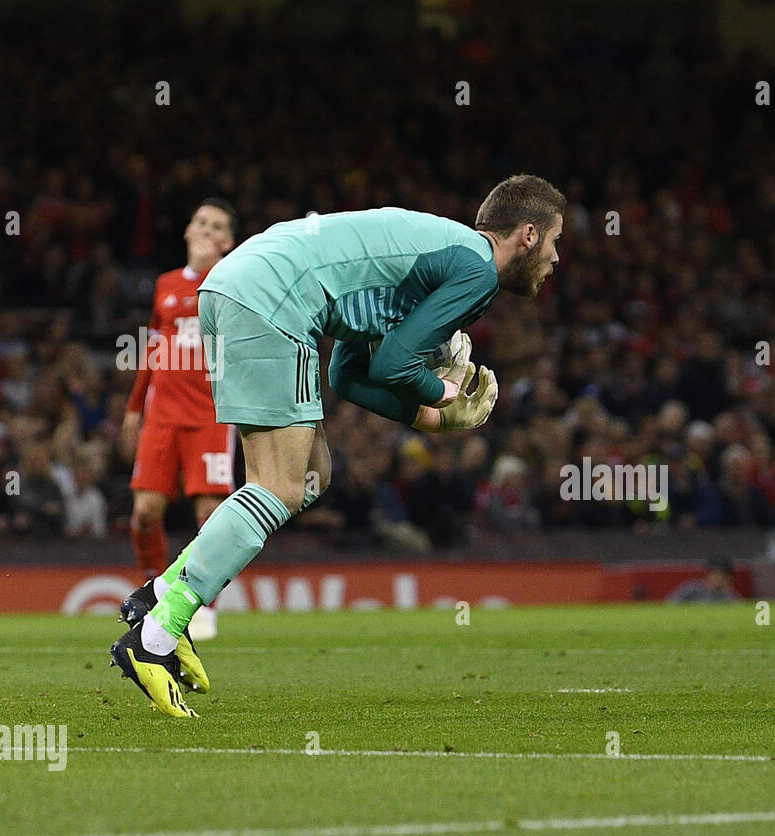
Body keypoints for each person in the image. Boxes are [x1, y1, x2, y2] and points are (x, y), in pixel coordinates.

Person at [110, 175, 563, 716]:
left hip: (243, 285)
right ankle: (155, 638)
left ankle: (158, 598)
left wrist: (425, 416)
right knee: (276, 484)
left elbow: (349, 373)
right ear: (529, 235)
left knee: (309, 476)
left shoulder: (438, 254)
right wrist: (442, 392)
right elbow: (397, 363)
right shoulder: (477, 268)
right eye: (556, 242)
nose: (557, 258)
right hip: (273, 298)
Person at [120, 199, 238, 640]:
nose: (207, 231)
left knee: (210, 514)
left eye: (218, 227)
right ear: (188, 229)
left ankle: (201, 603)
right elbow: (153, 349)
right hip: (162, 414)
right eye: (201, 222)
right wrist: (135, 406)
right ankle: (153, 591)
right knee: (146, 511)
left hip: (211, 413)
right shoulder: (164, 284)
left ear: (227, 242)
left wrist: (214, 272)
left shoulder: (230, 282)